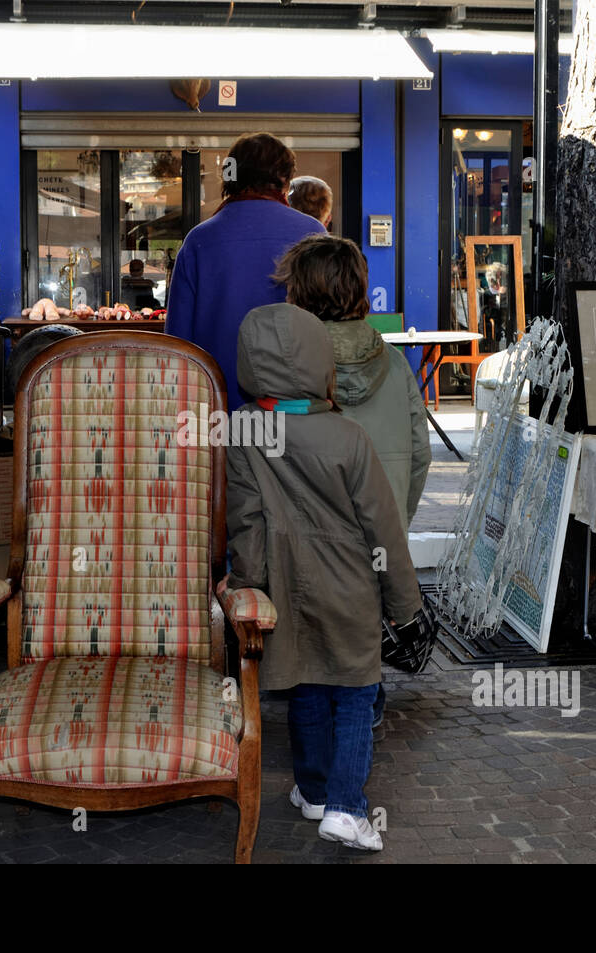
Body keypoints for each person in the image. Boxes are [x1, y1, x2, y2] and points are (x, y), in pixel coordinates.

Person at [225, 302, 422, 851]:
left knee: (305, 687)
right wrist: (405, 604)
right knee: (356, 695)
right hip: (353, 589)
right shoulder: (348, 436)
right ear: (320, 361)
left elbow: (246, 527)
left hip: (289, 590)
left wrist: (248, 586)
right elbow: (383, 528)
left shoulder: (244, 435)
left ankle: (312, 791)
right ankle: (347, 809)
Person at [273, 234, 430, 730]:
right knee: (363, 633)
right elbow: (420, 456)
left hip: (309, 544)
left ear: (299, 293)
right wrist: (395, 523)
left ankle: (319, 734)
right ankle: (365, 704)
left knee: (311, 643)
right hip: (378, 539)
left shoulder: (287, 370)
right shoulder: (396, 365)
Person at [165, 132, 325, 404]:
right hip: (296, 407)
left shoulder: (199, 240)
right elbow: (329, 326)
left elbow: (177, 342)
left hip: (217, 404)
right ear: (284, 179)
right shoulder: (313, 234)